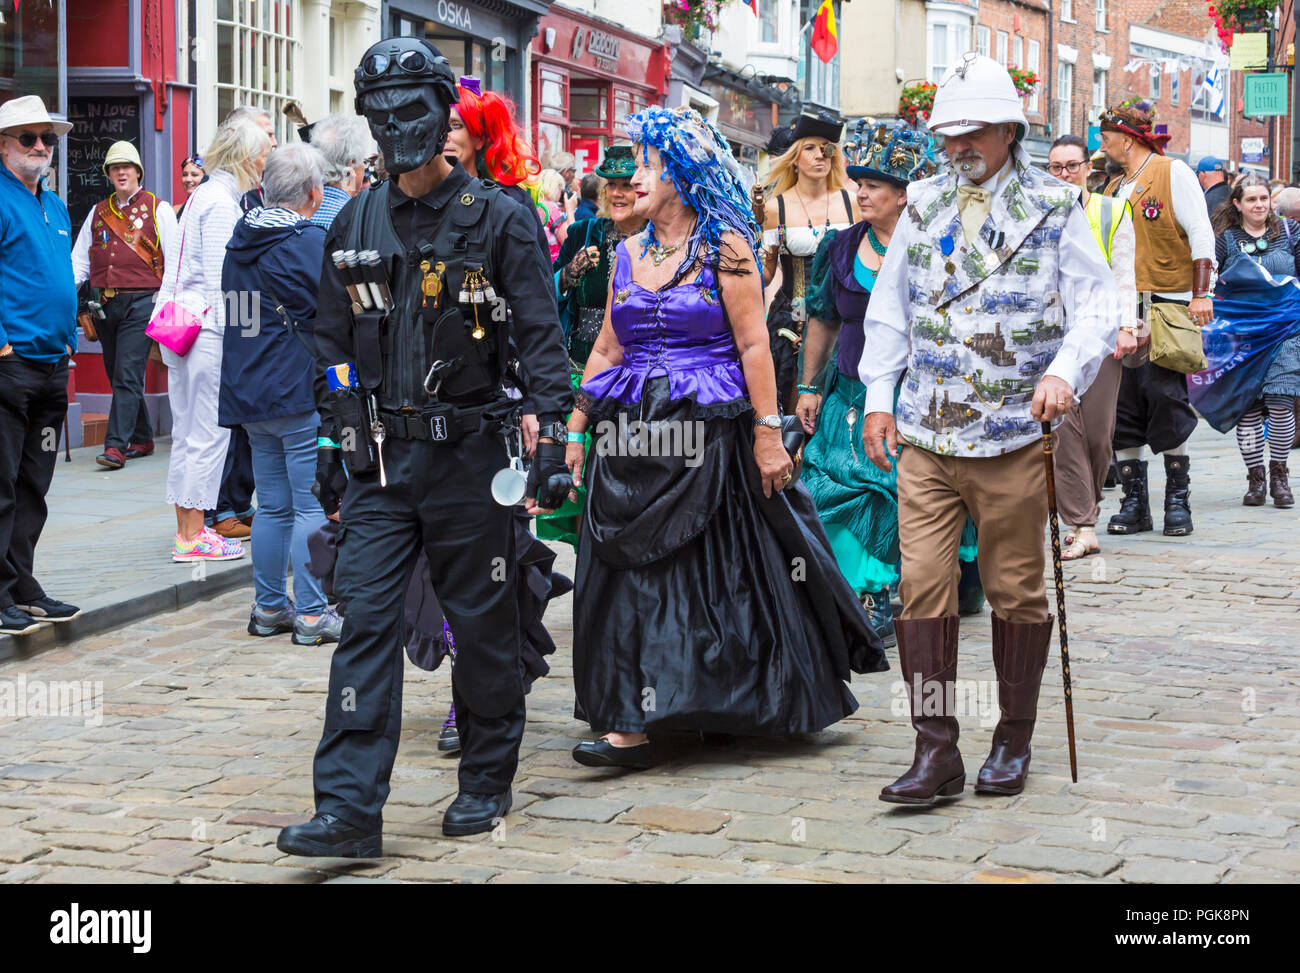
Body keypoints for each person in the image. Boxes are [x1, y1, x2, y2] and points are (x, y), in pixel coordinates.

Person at [275, 36, 573, 855]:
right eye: (382, 112)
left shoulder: (501, 220)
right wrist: (340, 425)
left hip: (472, 461)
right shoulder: (353, 222)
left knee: (480, 623)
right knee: (365, 621)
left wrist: (552, 439)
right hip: (380, 463)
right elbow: (328, 343)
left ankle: (484, 778)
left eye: (415, 109)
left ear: (446, 114)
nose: (399, 125)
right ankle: (346, 810)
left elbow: (544, 342)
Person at [564, 105, 886, 771]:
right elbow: (604, 347)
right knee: (630, 573)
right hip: (630, 431)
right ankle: (631, 718)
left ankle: (717, 702)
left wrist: (769, 435)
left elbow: (753, 345)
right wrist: (575, 427)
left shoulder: (726, 247)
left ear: (682, 176)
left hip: (708, 430)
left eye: (649, 165)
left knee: (713, 570)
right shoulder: (626, 252)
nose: (635, 178)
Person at [860, 54, 1118, 805]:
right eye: (949, 133)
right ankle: (934, 747)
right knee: (922, 588)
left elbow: (1097, 305)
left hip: (1012, 432)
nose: (958, 145)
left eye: (973, 131)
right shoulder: (924, 201)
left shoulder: (1053, 204)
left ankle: (1012, 734)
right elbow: (891, 305)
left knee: (1013, 587)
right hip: (928, 431)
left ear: (1011, 130)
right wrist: (880, 392)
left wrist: (1065, 371)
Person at [796, 120, 982, 648]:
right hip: (852, 392)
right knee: (844, 485)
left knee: (921, 492)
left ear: (903, 196)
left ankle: (957, 575)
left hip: (924, 392)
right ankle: (867, 595)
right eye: (858, 185)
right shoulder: (839, 247)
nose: (860, 194)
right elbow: (823, 320)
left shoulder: (943, 243)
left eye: (872, 186)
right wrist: (809, 387)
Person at [220, 143, 344, 644]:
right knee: (310, 504)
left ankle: (270, 607)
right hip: (296, 387)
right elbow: (337, 314)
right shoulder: (305, 241)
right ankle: (313, 613)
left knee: (271, 506)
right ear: (315, 193)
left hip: (248, 387)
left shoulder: (239, 238)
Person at [1100, 98, 1215, 538]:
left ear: (1127, 137)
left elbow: (1202, 232)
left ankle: (1177, 501)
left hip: (1166, 305)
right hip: (1121, 310)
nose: (1102, 141)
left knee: (1166, 399)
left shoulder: (1172, 173)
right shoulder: (1112, 187)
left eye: (1107, 133)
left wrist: (1202, 293)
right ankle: (1134, 504)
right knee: (1123, 406)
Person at [160, 117, 269, 562]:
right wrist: (240, 340)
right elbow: (224, 282)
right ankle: (193, 535)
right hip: (205, 329)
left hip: (179, 323)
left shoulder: (202, 195)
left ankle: (187, 532)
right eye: (262, 152)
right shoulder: (223, 201)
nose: (266, 161)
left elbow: (175, 270)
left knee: (188, 432)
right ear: (245, 156)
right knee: (206, 434)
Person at [535, 143, 645, 548]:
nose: (617, 193)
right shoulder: (583, 233)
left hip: (634, 379)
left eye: (626, 185)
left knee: (625, 482)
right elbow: (547, 290)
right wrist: (569, 273)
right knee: (579, 487)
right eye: (610, 185)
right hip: (582, 373)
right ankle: (590, 583)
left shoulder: (658, 241)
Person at [0, 95, 82, 635]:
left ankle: (21, 583)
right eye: (28, 138)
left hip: (53, 365)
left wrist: (69, 341)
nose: (40, 147)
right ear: (3, 144)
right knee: (2, 484)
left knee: (34, 484)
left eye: (47, 138)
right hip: (13, 366)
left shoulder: (53, 204)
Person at [1045, 134, 1140, 560]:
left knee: (1100, 434)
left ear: (1088, 168)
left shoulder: (1111, 209)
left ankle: (1089, 511)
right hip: (1053, 333)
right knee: (1063, 427)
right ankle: (1082, 523)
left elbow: (1124, 272)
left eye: (1071, 165)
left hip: (1101, 334)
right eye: (1056, 167)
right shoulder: (1042, 210)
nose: (1064, 174)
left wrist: (1125, 326)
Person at [71, 140, 177, 470]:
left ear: (138, 172)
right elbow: (79, 262)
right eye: (115, 168)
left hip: (144, 302)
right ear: (108, 173)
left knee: (127, 374)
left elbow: (174, 262)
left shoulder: (158, 208)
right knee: (118, 372)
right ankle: (143, 437)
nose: (121, 172)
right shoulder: (97, 212)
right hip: (105, 304)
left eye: (126, 167)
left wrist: (164, 302)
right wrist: (63, 294)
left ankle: (116, 446)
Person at [761, 111, 860, 408]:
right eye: (810, 148)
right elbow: (767, 271)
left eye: (827, 148)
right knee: (787, 406)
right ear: (794, 156)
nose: (821, 155)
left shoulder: (852, 203)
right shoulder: (774, 208)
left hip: (842, 321)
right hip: (790, 321)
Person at [1211, 173, 1299, 507]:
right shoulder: (1226, 239)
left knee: (1280, 402)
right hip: (1242, 336)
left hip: (1286, 333)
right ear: (1237, 204)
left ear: (1271, 202)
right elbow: (1209, 281)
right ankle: (1255, 479)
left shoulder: (1291, 234)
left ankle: (1279, 475)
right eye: (1251, 199)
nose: (1259, 205)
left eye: (1263, 198)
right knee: (1248, 409)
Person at [308, 113, 372, 229]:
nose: (364, 166)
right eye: (364, 161)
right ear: (351, 166)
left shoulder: (300, 210)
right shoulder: (358, 220)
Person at [536, 167, 571, 261]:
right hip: (553, 266)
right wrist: (569, 210)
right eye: (561, 190)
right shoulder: (551, 208)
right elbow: (570, 241)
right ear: (556, 187)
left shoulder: (535, 204)